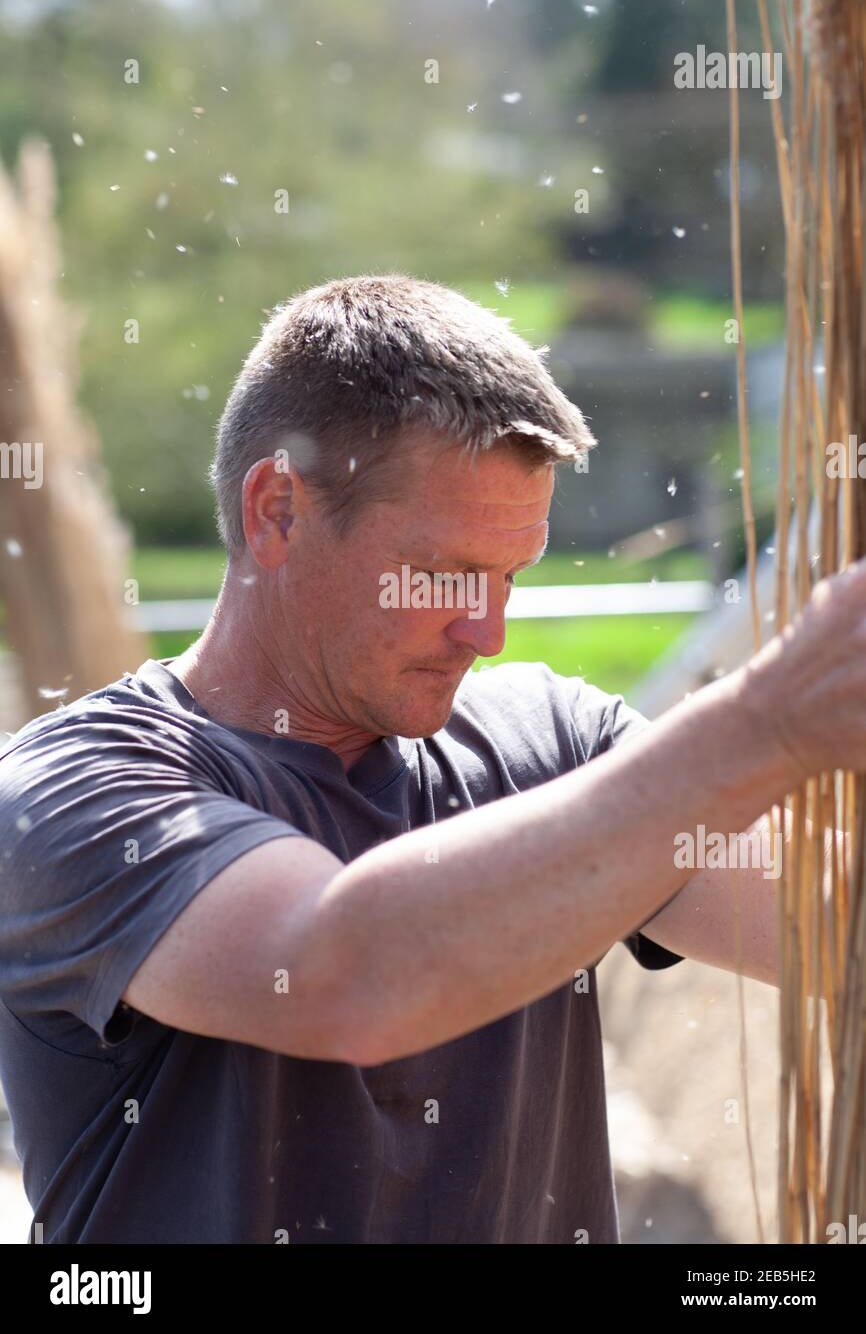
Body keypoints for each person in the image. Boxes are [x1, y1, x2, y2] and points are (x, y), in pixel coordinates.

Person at [0, 273, 863, 1244]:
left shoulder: (553, 743)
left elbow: (825, 924)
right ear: (277, 509)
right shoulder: (74, 794)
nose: (486, 629)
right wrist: (763, 725)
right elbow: (348, 979)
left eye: (509, 577)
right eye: (447, 573)